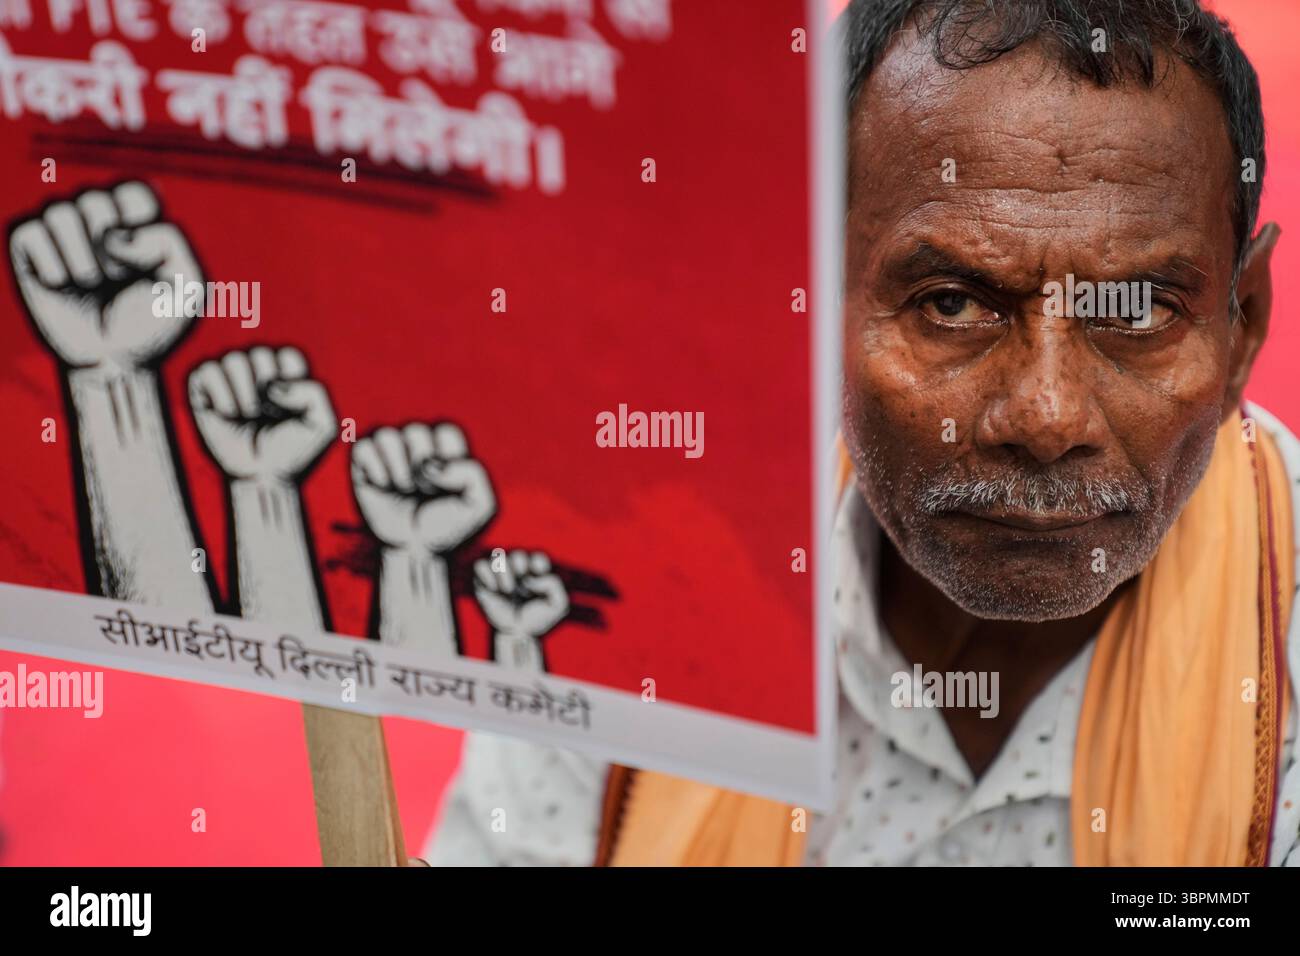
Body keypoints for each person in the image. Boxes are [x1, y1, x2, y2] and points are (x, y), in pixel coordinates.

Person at [427, 0, 1300, 866]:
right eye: (952, 304)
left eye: (1137, 310)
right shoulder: (639, 595)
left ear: (1243, 328)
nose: (1045, 417)